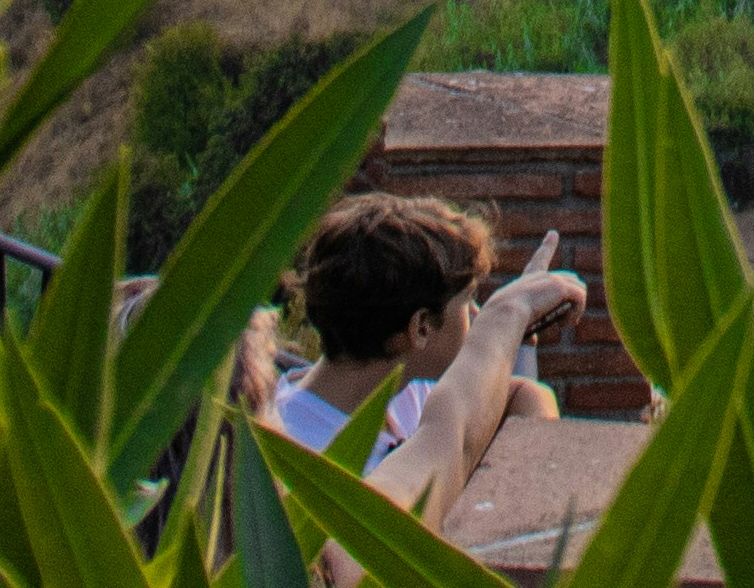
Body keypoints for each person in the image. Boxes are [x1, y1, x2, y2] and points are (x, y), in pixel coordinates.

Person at [249, 194, 583, 533]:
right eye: (468, 302)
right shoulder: (296, 454)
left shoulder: (413, 393)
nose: (476, 316)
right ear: (420, 327)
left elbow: (524, 395)